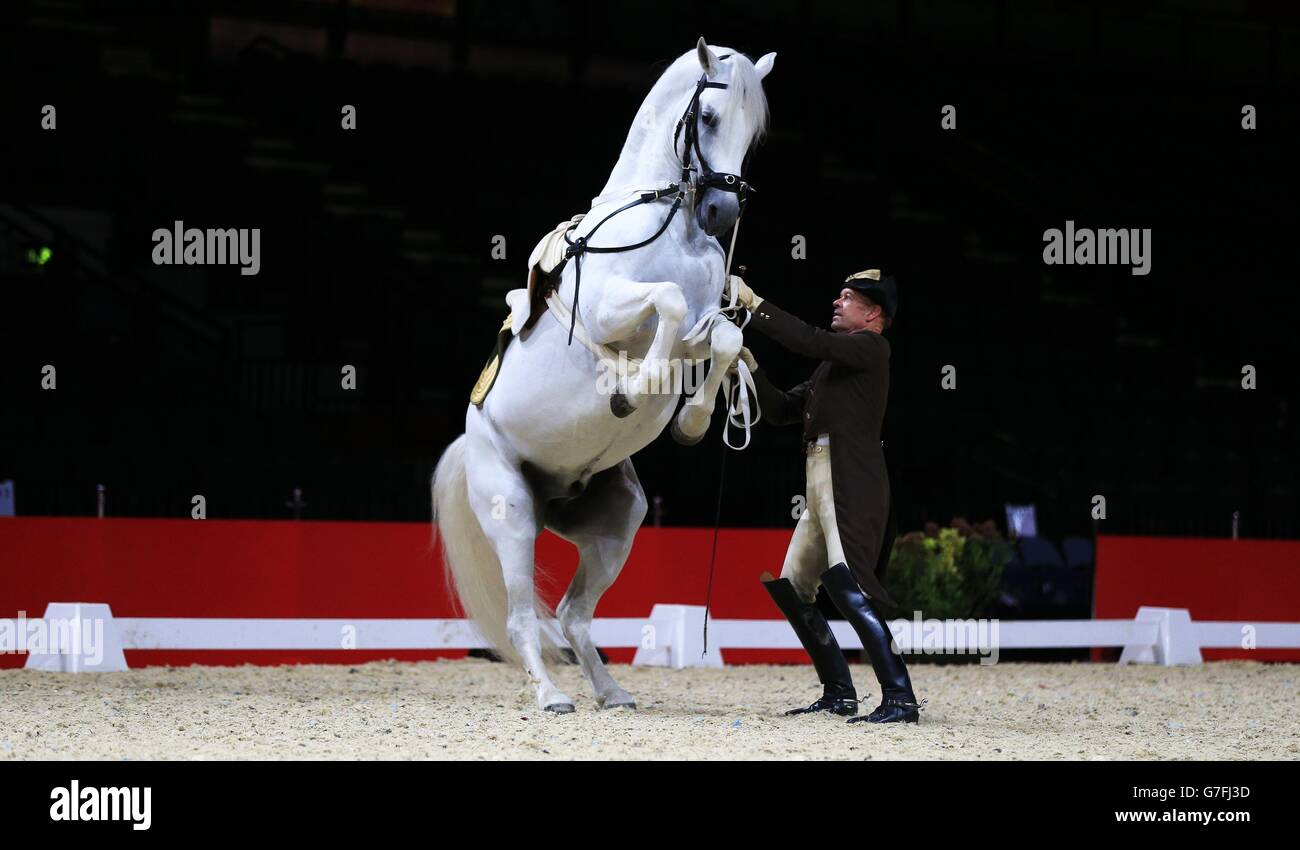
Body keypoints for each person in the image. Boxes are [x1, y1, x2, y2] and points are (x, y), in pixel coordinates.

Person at [728, 269, 923, 724]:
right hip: (818, 479)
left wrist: (757, 306)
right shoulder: (833, 367)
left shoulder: (871, 348)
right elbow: (778, 412)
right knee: (794, 586)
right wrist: (747, 367)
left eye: (848, 297)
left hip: (848, 481)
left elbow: (810, 339)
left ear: (873, 313)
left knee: (850, 585)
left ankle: (900, 697)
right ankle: (838, 691)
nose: (837, 301)